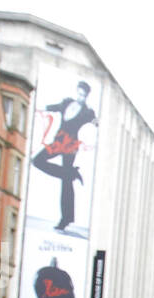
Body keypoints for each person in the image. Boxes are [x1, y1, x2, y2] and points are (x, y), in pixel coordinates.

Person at [32, 80, 98, 232]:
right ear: (77, 92)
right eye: (80, 94)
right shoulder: (67, 102)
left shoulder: (88, 112)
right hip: (58, 140)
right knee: (37, 161)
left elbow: (96, 123)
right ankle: (71, 173)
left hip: (71, 145)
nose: (81, 97)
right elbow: (53, 107)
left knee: (66, 183)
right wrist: (38, 106)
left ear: (87, 96)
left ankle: (65, 219)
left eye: (84, 95)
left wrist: (96, 123)